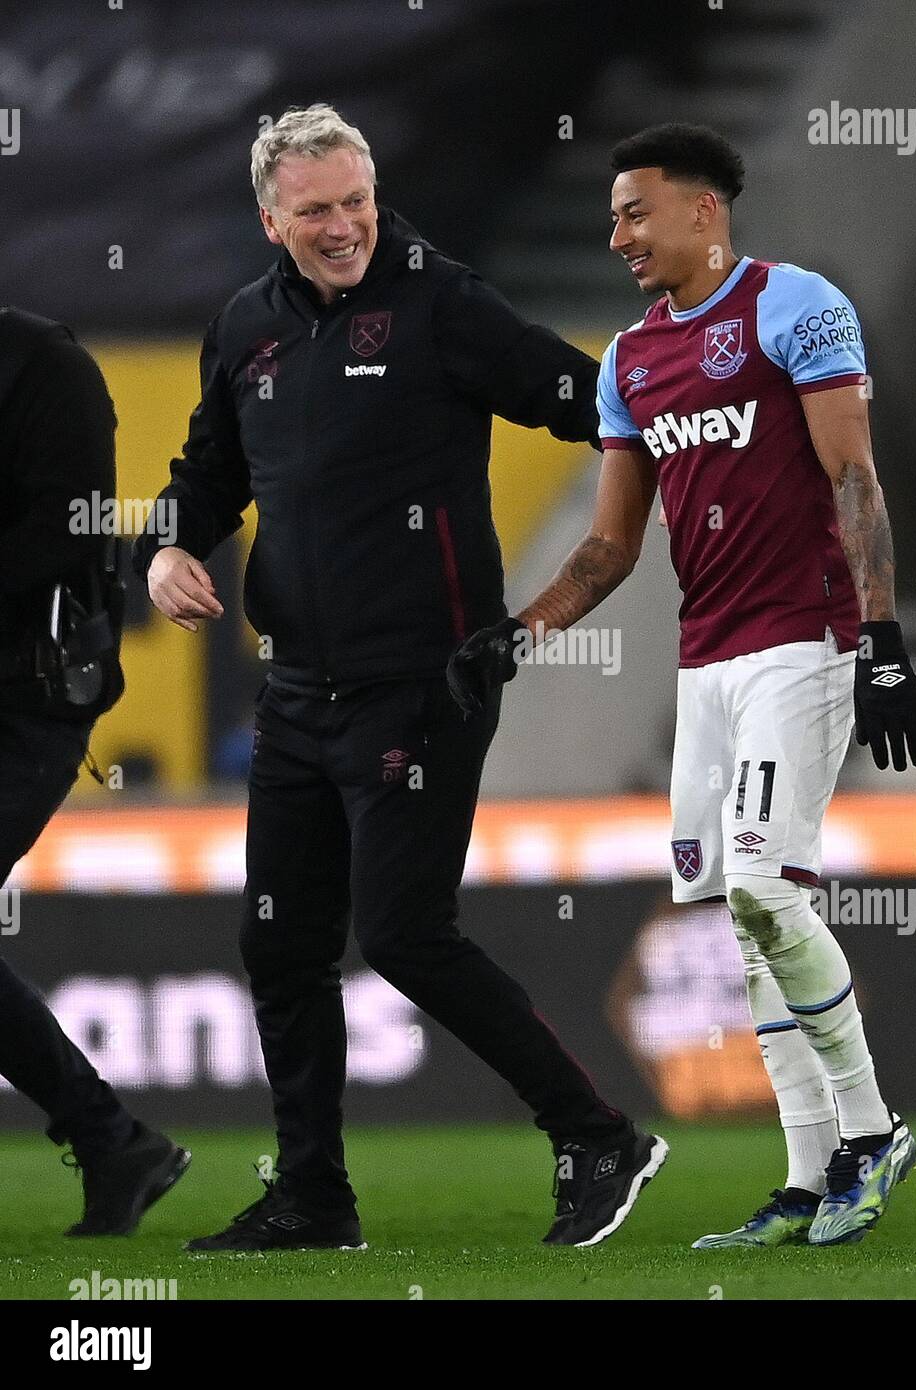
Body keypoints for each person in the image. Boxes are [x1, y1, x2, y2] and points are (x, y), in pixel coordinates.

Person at [133, 104, 665, 1253]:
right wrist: (167, 546)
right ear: (269, 217)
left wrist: (700, 455)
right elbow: (207, 474)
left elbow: (595, 406)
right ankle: (315, 1198)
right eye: (315, 209)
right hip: (296, 694)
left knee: (405, 933)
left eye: (356, 202)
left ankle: (596, 1134)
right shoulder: (243, 329)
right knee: (280, 945)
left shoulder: (442, 304)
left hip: (425, 680)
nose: (342, 227)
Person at [448, 123, 916, 1249]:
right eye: (613, 216)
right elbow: (611, 547)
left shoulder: (794, 306)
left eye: (633, 211)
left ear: (704, 211)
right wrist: (519, 634)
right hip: (705, 664)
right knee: (741, 921)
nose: (615, 234)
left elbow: (852, 476)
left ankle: (871, 1129)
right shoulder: (629, 360)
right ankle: (809, 1175)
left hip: (800, 642)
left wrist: (883, 639)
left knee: (767, 885)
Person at [0, 305, 189, 1235]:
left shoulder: (42, 366)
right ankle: (114, 1142)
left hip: (23, 697)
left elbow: (66, 536)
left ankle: (113, 1138)